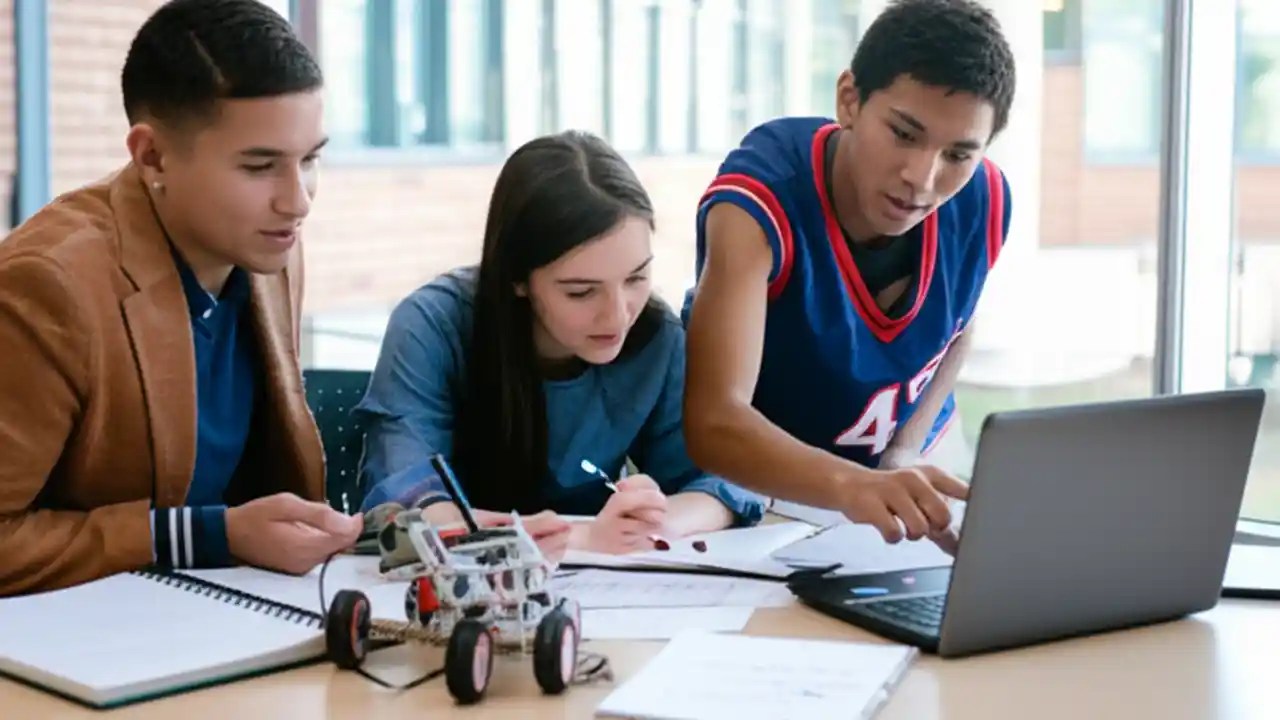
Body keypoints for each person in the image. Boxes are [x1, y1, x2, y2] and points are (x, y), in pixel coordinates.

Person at [0, 0, 361, 596]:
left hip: (222, 613)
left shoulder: (268, 246)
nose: (298, 200)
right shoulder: (48, 286)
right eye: (260, 166)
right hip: (81, 633)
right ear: (152, 157)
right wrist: (201, 535)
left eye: (310, 159)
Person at [682, 0, 1016, 550]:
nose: (922, 178)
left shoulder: (985, 196)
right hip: (770, 483)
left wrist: (902, 453)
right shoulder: (760, 201)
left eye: (958, 154)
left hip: (906, 461)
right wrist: (857, 484)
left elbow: (958, 325)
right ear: (849, 100)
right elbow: (714, 422)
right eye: (903, 133)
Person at [355, 131, 765, 558]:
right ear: (517, 278)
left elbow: (727, 477)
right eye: (581, 292)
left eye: (636, 278)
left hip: (604, 584)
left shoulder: (655, 337)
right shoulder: (430, 327)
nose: (618, 315)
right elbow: (403, 507)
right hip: (450, 585)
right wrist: (581, 537)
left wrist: (658, 522)